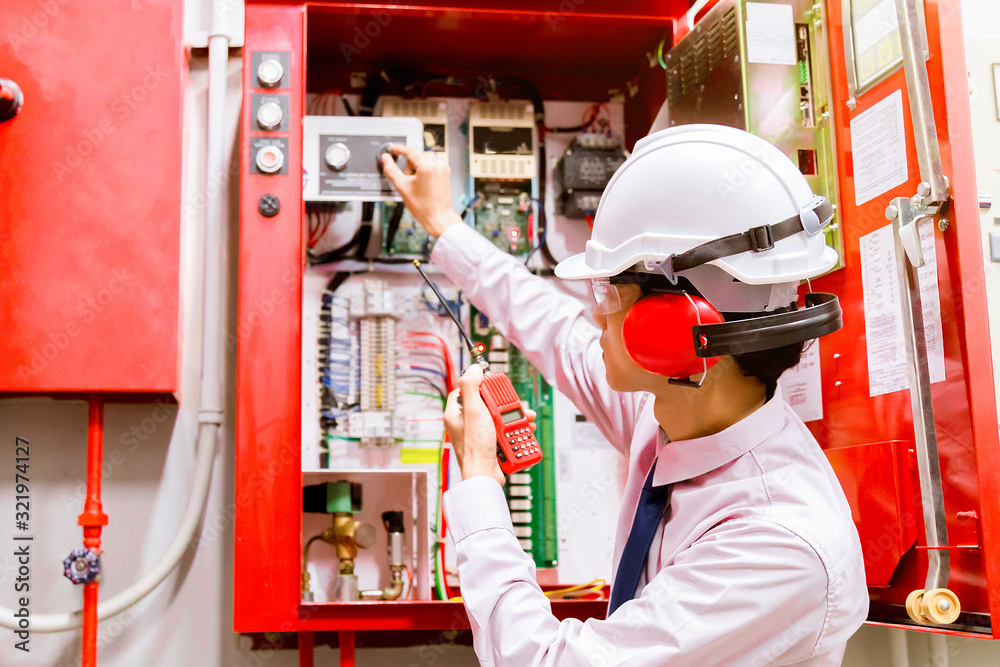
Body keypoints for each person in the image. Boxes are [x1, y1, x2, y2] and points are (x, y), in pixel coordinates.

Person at [381, 124, 868, 666]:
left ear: (674, 327)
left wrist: (477, 482)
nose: (595, 314)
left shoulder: (777, 546)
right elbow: (555, 330)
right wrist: (443, 225)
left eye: (608, 292)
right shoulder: (676, 412)